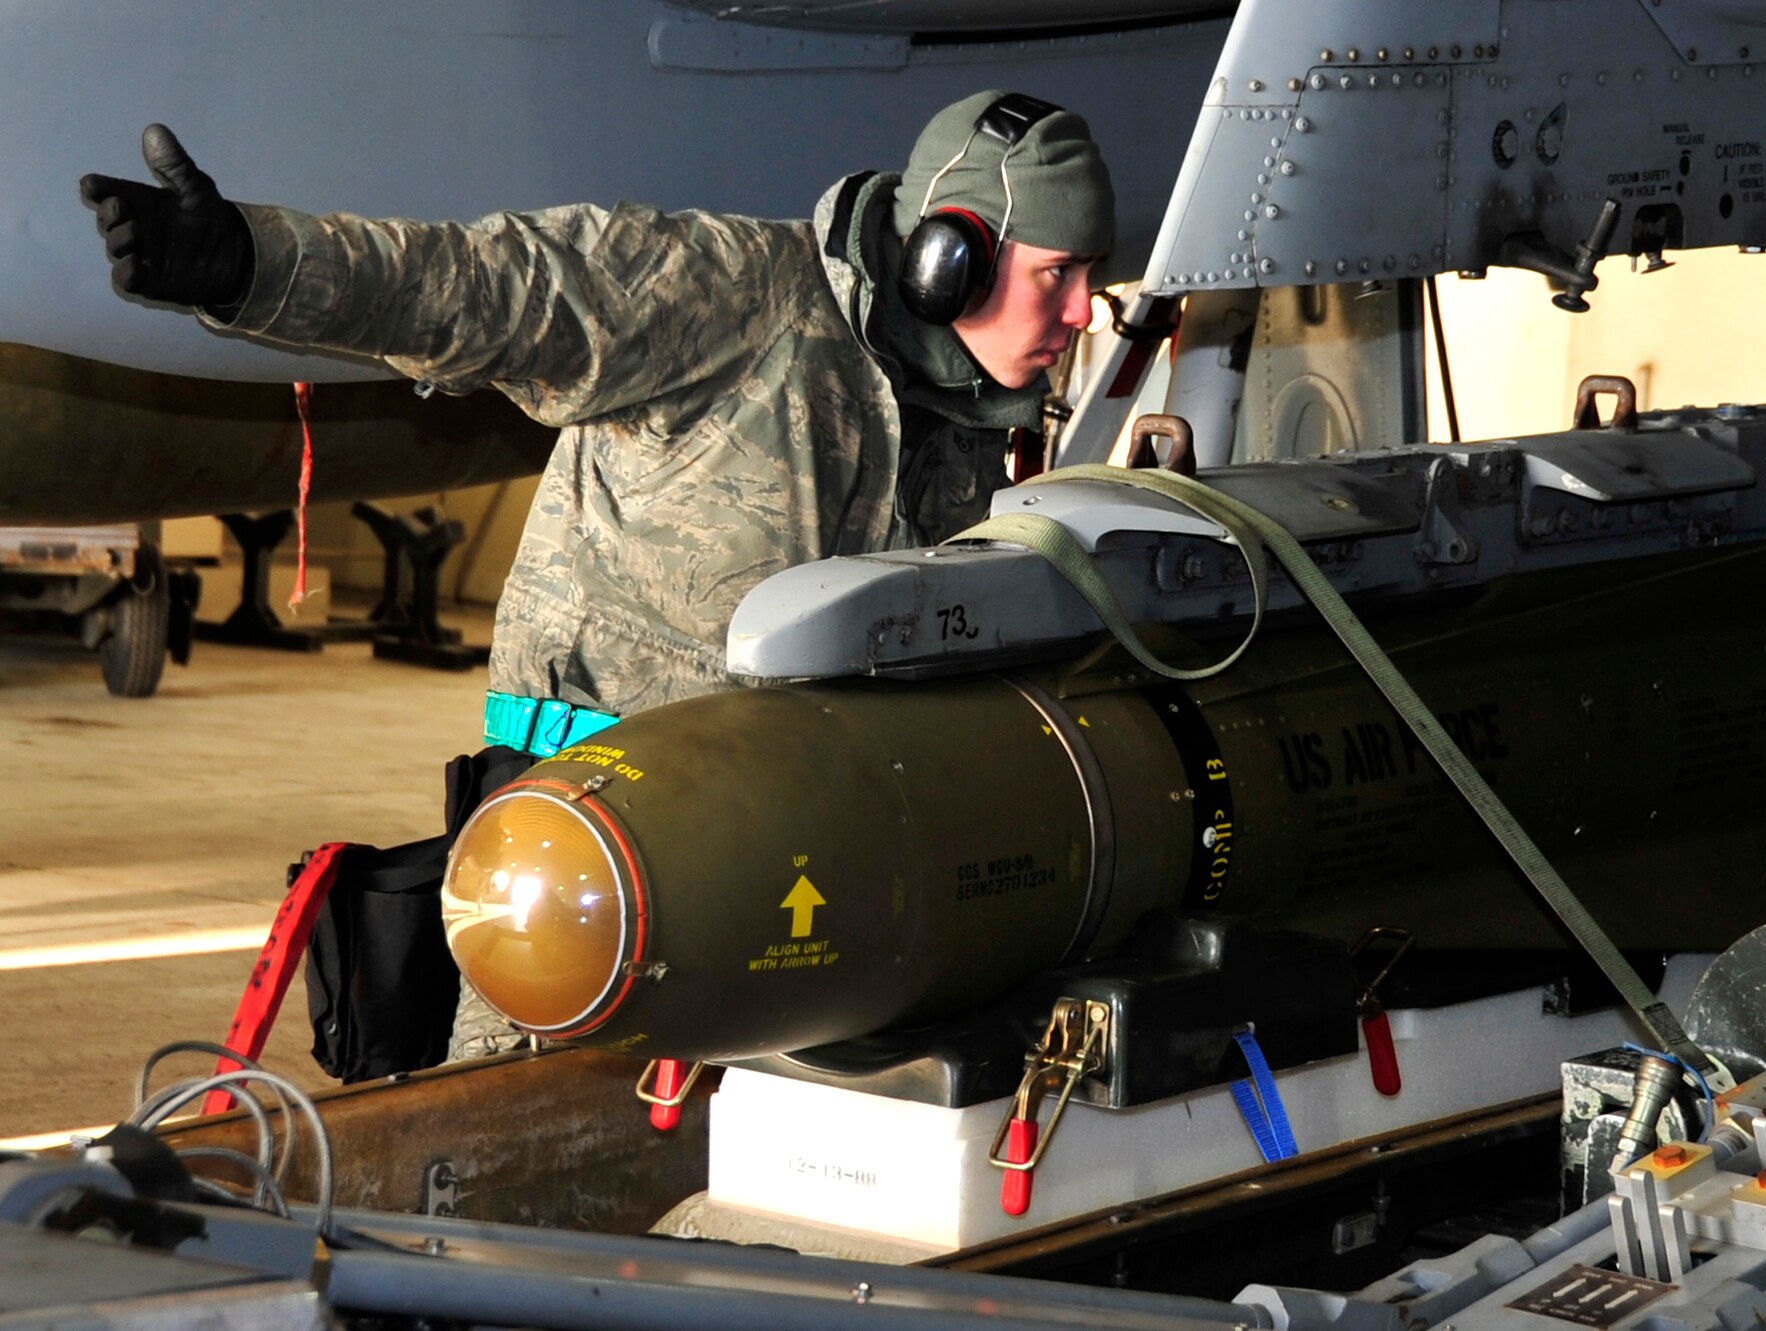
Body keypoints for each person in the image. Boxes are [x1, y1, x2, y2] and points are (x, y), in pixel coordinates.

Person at [79, 90, 1114, 1065]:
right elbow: (488, 284)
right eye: (1057, 273)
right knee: (527, 1149)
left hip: (791, 882)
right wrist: (253, 266)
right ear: (947, 258)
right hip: (595, 866)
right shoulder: (734, 294)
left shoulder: (960, 411)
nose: (1079, 310)